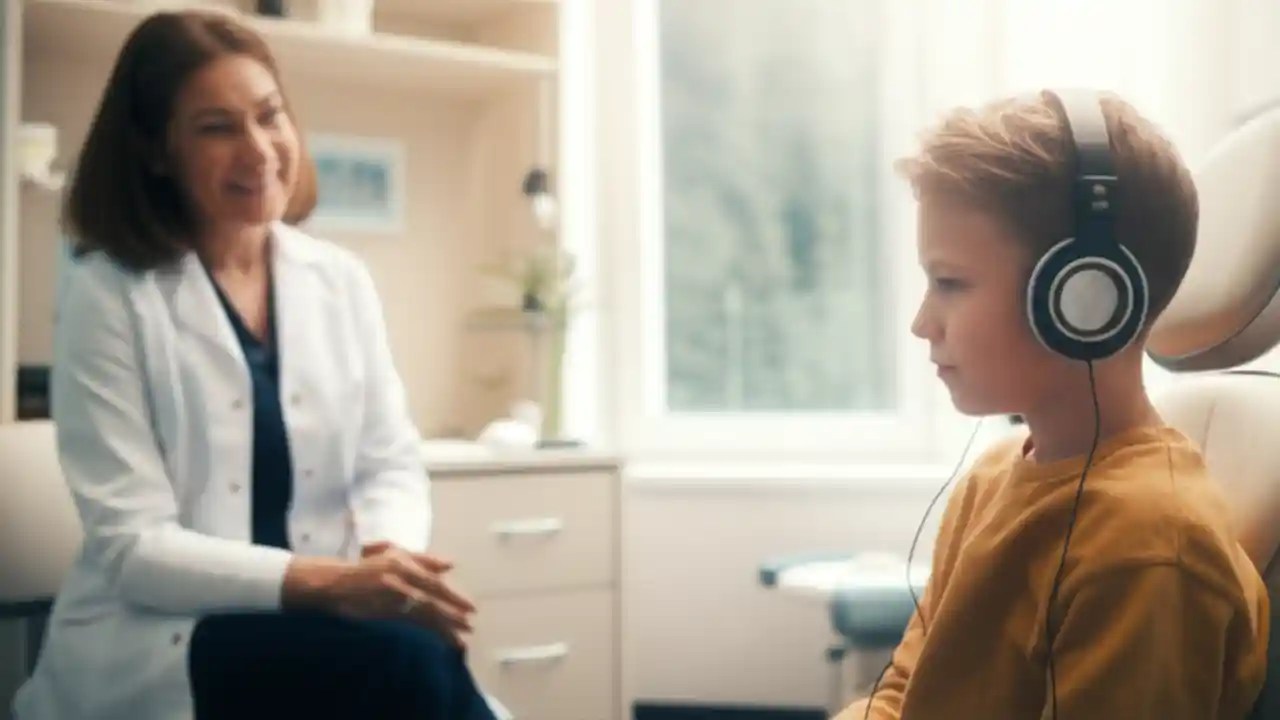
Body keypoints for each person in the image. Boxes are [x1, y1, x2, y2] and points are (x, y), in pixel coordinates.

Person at [12, 9, 498, 720]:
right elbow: (133, 546)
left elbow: (389, 462)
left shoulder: (340, 280)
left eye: (270, 116)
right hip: (169, 633)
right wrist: (332, 582)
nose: (260, 149)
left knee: (421, 650)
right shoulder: (110, 293)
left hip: (315, 623)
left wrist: (388, 562)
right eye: (217, 128)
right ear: (156, 151)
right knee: (407, 665)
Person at [835, 91, 1270, 719]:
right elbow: (905, 691)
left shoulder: (1147, 547)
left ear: (1082, 296)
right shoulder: (993, 478)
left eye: (950, 283)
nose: (922, 323)